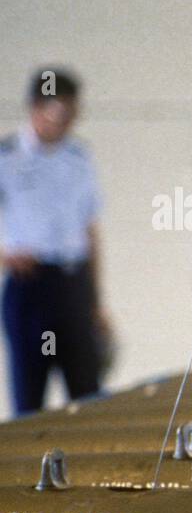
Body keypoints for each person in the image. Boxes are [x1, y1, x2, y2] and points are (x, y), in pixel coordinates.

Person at [0, 67, 111, 416]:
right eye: (59, 113)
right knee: (31, 398)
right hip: (31, 285)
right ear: (36, 108)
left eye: (72, 114)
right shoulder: (7, 158)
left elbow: (89, 230)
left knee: (87, 393)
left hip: (72, 285)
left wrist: (95, 302)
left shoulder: (78, 158)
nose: (66, 123)